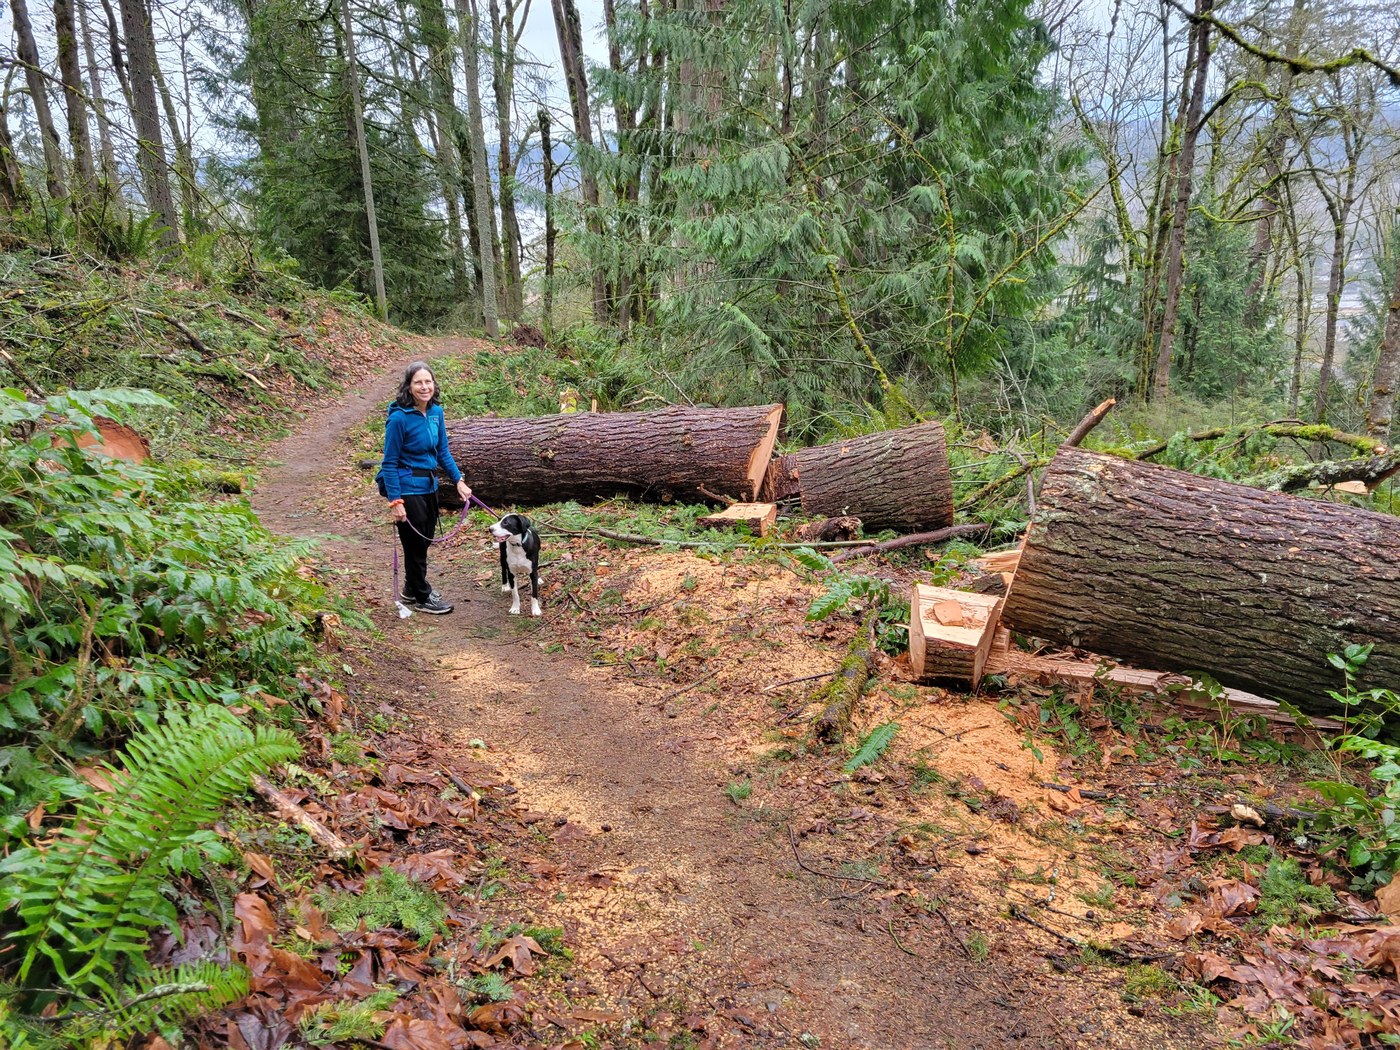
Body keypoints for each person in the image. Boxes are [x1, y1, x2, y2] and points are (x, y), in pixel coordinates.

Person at [378, 361, 472, 614]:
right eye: (418, 382)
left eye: (428, 381)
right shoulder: (398, 419)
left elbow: (442, 451)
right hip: (407, 486)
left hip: (430, 485)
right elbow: (389, 462)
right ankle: (421, 595)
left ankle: (410, 587)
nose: (424, 387)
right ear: (408, 387)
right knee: (416, 544)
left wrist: (458, 480)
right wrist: (395, 502)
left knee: (424, 539)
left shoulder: (435, 413)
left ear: (434, 384)